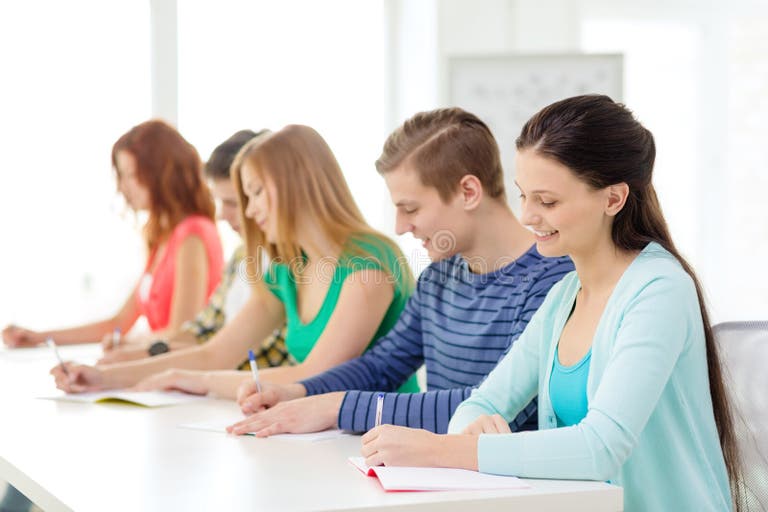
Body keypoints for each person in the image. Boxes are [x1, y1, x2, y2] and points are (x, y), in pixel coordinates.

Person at [358, 95, 741, 511]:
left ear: (613, 199)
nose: (527, 216)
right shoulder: (565, 295)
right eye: (524, 196)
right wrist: (473, 429)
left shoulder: (659, 290)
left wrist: (441, 450)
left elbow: (600, 448)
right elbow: (480, 403)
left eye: (548, 201)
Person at [223, 107, 573, 437]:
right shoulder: (439, 277)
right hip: (442, 468)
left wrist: (338, 407)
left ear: (468, 192)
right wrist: (297, 391)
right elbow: (382, 366)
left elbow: (496, 406)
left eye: (411, 208)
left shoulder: (551, 279)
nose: (400, 226)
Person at [51, 125, 419, 397]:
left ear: (294, 186)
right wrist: (104, 378)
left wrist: (193, 380)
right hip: (322, 435)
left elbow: (315, 375)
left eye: (256, 193)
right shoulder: (286, 267)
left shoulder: (369, 264)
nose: (250, 210)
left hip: (381, 445)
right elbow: (216, 353)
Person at [2, 120, 224, 348]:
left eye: (131, 175)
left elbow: (181, 334)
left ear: (161, 173)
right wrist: (40, 337)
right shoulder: (162, 238)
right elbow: (118, 323)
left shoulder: (192, 234)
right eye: (122, 176)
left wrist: (127, 344)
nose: (123, 187)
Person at [98, 129, 292, 370]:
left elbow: (218, 351)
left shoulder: (194, 233)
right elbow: (203, 333)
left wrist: (140, 362)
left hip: (234, 386)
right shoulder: (241, 256)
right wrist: (137, 355)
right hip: (220, 384)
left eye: (234, 203)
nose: (222, 215)